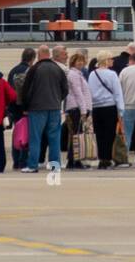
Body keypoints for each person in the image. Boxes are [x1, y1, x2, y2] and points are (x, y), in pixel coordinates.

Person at [21, 44, 68, 173]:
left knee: (35, 138)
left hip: (37, 108)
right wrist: (58, 99)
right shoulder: (58, 69)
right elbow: (65, 89)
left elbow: (26, 90)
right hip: (54, 107)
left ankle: (32, 165)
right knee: (54, 138)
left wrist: (25, 106)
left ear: (39, 54)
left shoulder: (34, 69)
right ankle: (54, 165)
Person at [89, 52, 125, 170]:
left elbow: (90, 91)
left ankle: (101, 158)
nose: (113, 61)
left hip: (96, 107)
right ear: (106, 60)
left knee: (99, 134)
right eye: (111, 59)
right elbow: (117, 92)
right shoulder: (112, 74)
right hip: (109, 106)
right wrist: (121, 109)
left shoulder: (92, 74)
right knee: (109, 134)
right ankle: (108, 159)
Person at [7, 47, 35, 170]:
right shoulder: (29, 70)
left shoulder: (13, 70)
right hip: (25, 107)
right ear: (32, 59)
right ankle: (23, 160)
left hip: (13, 106)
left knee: (17, 133)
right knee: (26, 134)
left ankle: (16, 160)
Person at [65, 51, 93, 169]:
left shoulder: (78, 74)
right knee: (76, 135)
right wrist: (83, 111)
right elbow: (78, 93)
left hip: (78, 107)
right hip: (76, 108)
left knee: (76, 135)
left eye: (82, 61)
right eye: (78, 61)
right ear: (73, 62)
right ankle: (74, 160)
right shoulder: (74, 75)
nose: (81, 63)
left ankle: (74, 160)